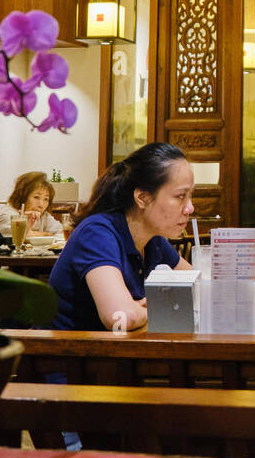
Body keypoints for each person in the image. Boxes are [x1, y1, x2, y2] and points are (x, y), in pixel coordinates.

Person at [48, 142, 196, 332]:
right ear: (142, 197)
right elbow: (120, 317)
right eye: (180, 196)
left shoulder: (153, 240)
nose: (190, 208)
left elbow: (197, 289)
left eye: (190, 196)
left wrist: (146, 308)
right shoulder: (97, 233)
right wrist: (159, 307)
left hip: (117, 354)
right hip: (64, 356)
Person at [0, 170, 64, 238]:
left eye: (46, 199)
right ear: (22, 196)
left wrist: (34, 233)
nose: (41, 205)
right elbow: (19, 235)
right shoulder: (5, 211)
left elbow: (61, 232)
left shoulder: (43, 216)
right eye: (36, 197)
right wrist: (46, 234)